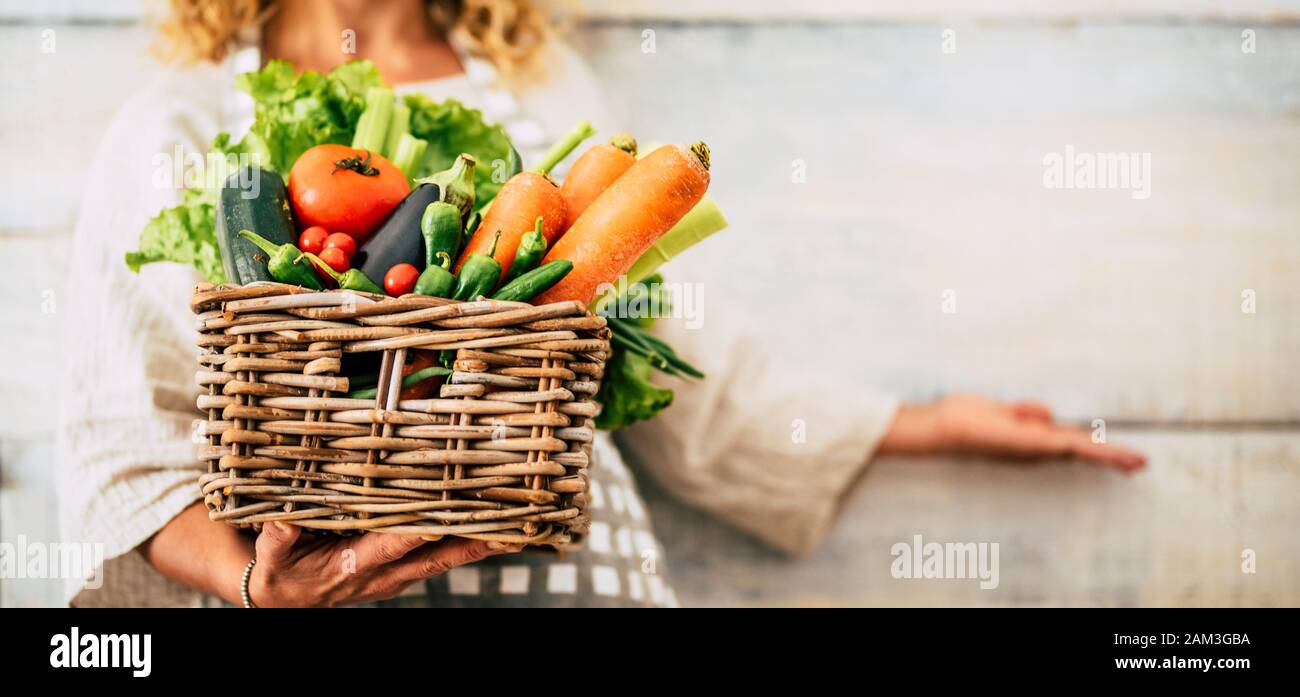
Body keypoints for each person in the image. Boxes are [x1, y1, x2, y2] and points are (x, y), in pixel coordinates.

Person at [54, 0, 1146, 608]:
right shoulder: (181, 120)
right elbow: (125, 441)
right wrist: (257, 584)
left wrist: (923, 422)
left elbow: (664, 353)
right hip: (311, 577)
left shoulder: (540, 94)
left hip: (579, 581)